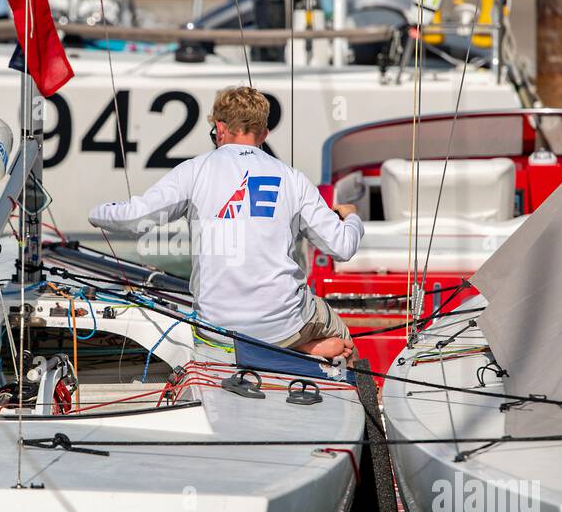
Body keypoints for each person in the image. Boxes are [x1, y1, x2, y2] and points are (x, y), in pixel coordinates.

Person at [88, 86, 362, 360]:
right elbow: (342, 247)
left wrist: (97, 212)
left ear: (219, 128)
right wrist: (351, 217)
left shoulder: (194, 171)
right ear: (264, 134)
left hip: (216, 328)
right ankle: (310, 354)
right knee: (342, 338)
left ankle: (289, 348)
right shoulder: (293, 179)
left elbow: (135, 217)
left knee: (238, 326)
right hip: (282, 323)